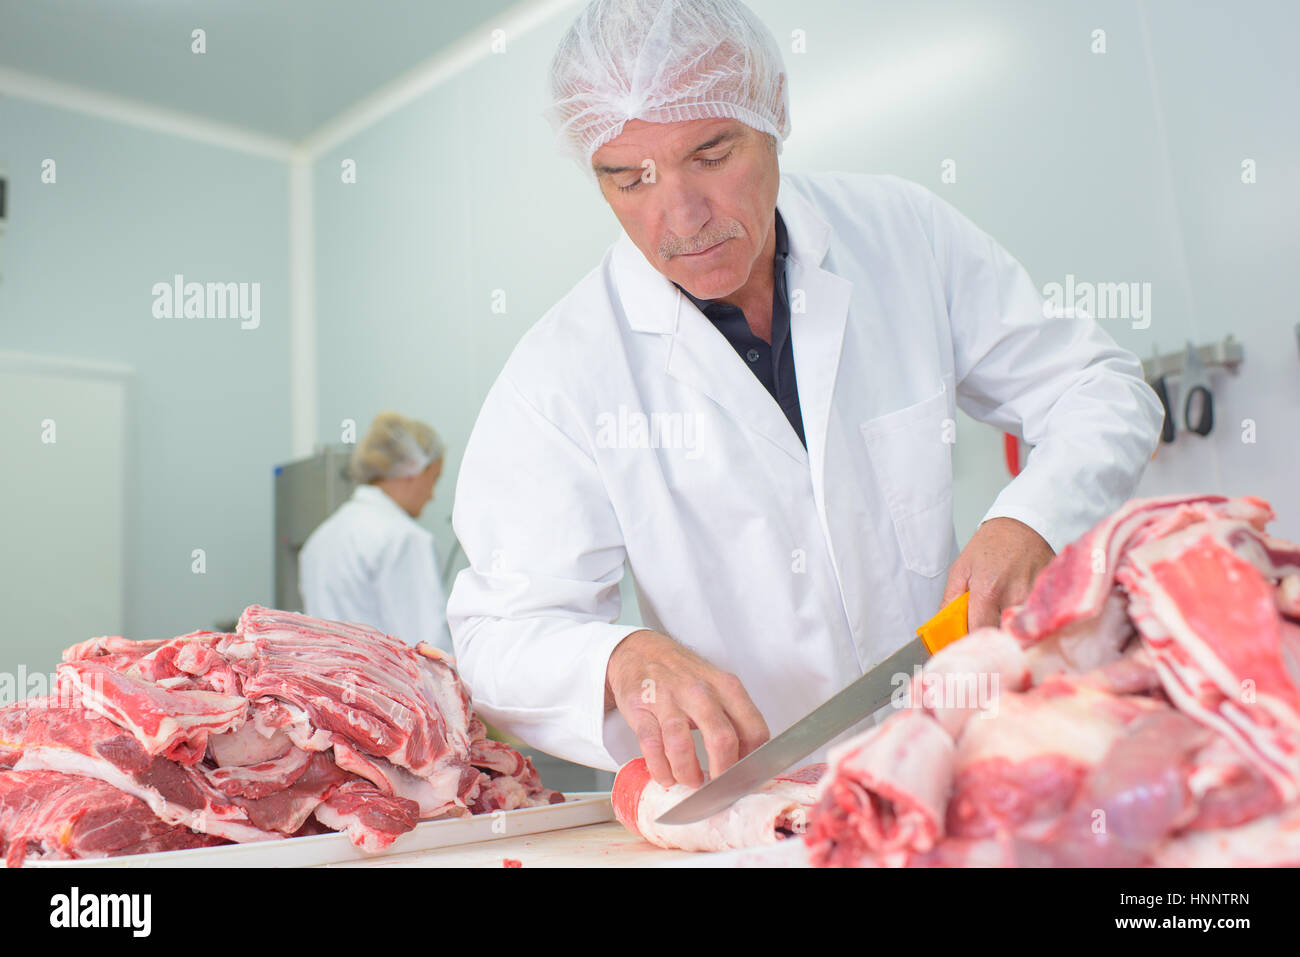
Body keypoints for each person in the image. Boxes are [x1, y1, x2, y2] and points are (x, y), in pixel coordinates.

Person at [446, 0, 1163, 789]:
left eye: (712, 155)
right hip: (764, 801)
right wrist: (622, 656)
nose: (680, 216)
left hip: (965, 758)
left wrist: (1033, 516)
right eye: (629, 179)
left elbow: (1099, 386)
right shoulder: (561, 372)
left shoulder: (902, 234)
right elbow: (498, 634)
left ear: (774, 110)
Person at [299, 411, 453, 653]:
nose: (432, 495)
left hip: (330, 687)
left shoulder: (320, 538)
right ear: (413, 469)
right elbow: (429, 648)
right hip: (386, 689)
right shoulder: (404, 538)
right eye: (433, 479)